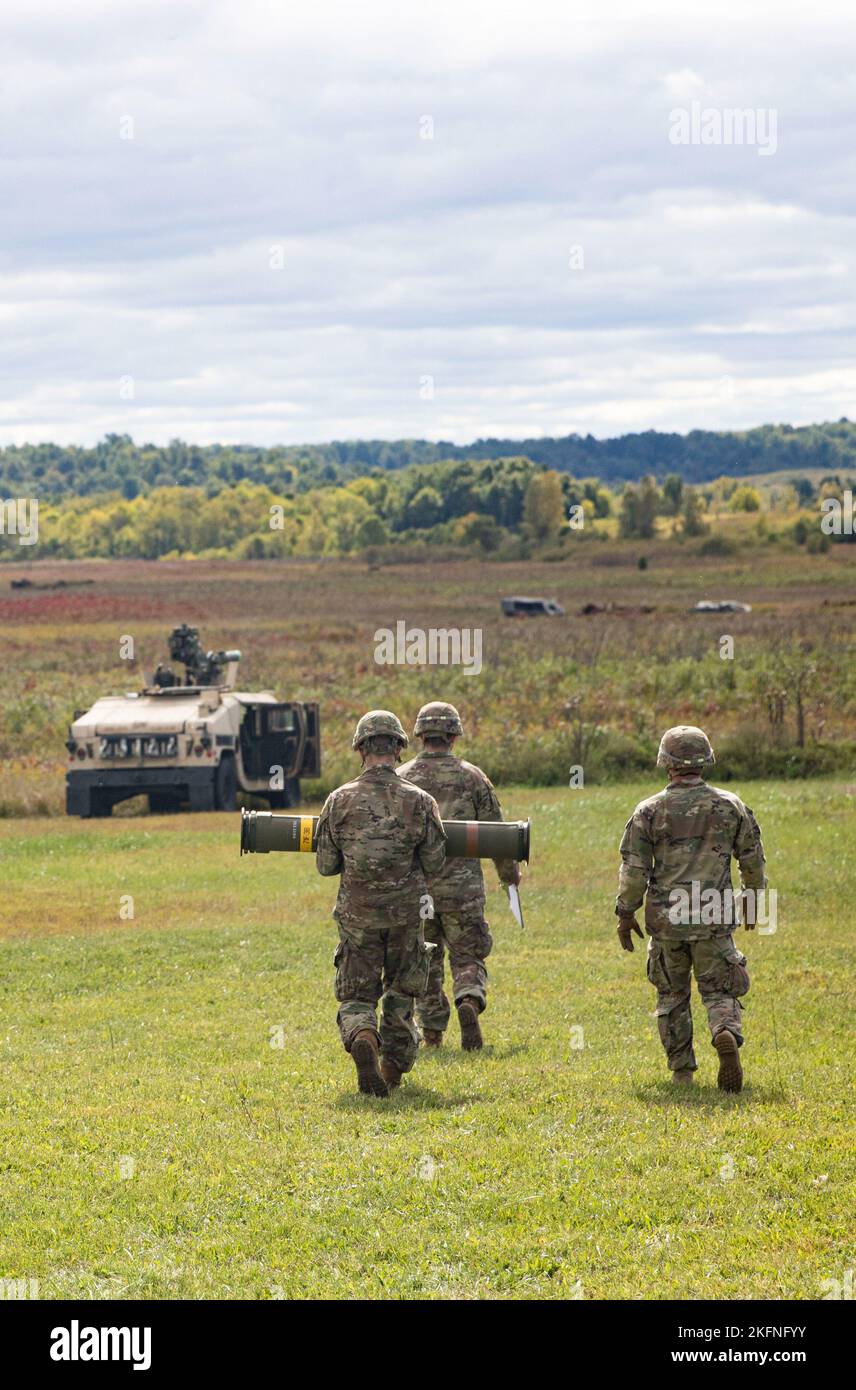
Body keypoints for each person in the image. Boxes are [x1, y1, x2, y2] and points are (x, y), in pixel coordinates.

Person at [615, 725, 767, 1093]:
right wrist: (752, 898)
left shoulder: (648, 810)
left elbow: (635, 870)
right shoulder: (730, 805)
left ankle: (682, 1070)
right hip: (713, 915)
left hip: (667, 921)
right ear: (706, 760)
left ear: (666, 763)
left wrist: (624, 912)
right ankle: (724, 1032)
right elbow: (752, 858)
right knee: (719, 991)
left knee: (672, 995)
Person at [315, 710, 446, 1096]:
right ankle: (391, 1069)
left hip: (357, 916)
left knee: (357, 993)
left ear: (360, 749)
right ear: (399, 748)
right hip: (407, 914)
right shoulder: (421, 801)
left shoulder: (338, 800)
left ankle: (362, 1036)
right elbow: (436, 861)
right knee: (402, 992)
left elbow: (325, 865)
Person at [397, 701, 520, 1051]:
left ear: (420, 735)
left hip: (417, 890)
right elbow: (497, 835)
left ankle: (433, 1034)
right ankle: (468, 998)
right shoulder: (473, 777)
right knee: (468, 954)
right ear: (453, 735)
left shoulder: (403, 779)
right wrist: (508, 875)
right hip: (462, 889)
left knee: (427, 959)